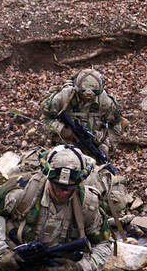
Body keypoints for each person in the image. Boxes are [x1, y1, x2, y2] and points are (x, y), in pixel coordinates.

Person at [40, 69, 130, 219]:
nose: (88, 96)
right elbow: (44, 120)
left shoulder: (105, 102)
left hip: (90, 151)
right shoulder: (63, 97)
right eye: (83, 93)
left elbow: (117, 126)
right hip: (62, 149)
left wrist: (106, 146)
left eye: (93, 93)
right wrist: (62, 130)